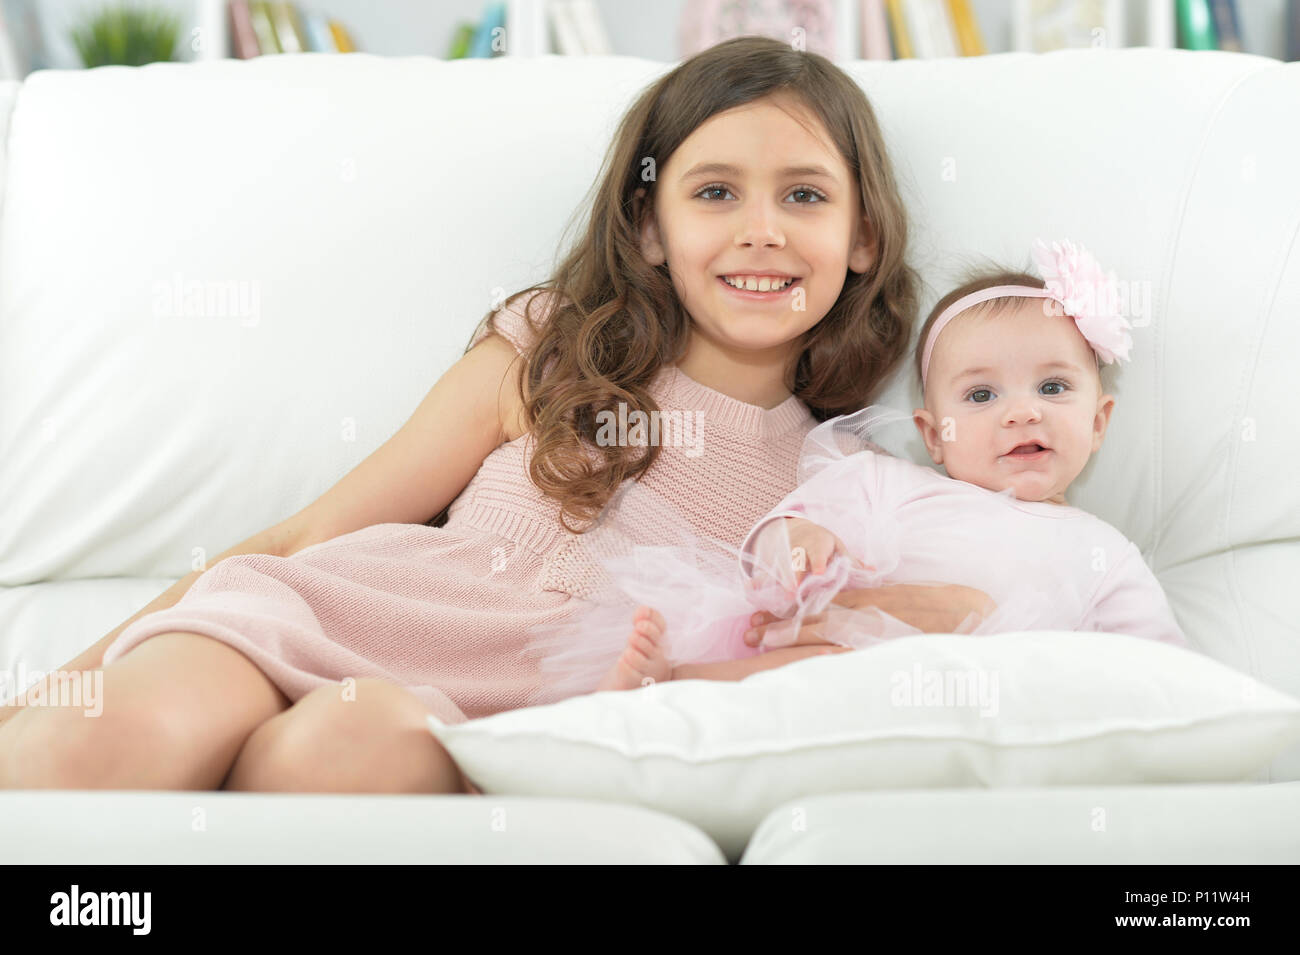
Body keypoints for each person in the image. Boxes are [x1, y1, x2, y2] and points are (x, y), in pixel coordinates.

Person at [0, 36, 992, 794]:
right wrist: (55, 691)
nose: (760, 230)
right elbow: (310, 534)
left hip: (478, 723)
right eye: (715, 192)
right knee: (121, 731)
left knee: (348, 751)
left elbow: (921, 629)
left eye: (805, 195)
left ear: (862, 236)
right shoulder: (553, 350)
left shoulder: (833, 487)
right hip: (316, 615)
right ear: (649, 226)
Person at [534, 239, 1189, 699]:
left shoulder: (1106, 553)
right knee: (808, 656)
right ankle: (668, 687)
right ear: (933, 436)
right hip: (843, 660)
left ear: (1099, 420)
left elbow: (1164, 673)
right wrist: (801, 542)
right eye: (982, 396)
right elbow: (786, 524)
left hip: (978, 696)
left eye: (1052, 388)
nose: (1022, 415)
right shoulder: (891, 484)